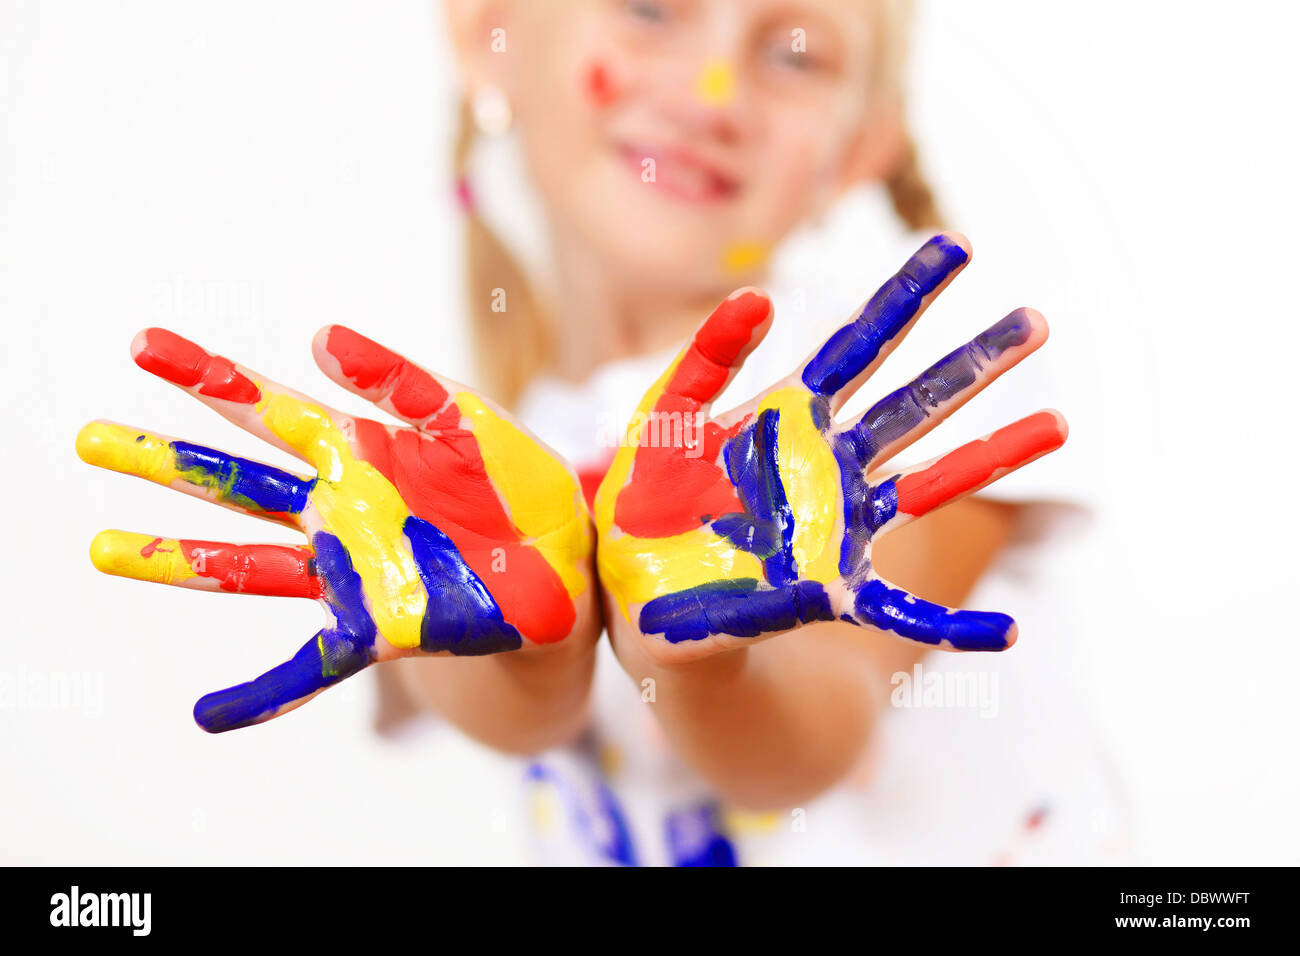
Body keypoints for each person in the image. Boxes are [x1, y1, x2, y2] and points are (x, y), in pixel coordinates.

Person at [76, 0, 1128, 865]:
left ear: (857, 149)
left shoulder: (848, 435)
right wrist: (524, 638)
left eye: (794, 52)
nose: (712, 88)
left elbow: (811, 726)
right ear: (489, 34)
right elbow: (506, 706)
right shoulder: (476, 465)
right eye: (650, 9)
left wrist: (705, 658)